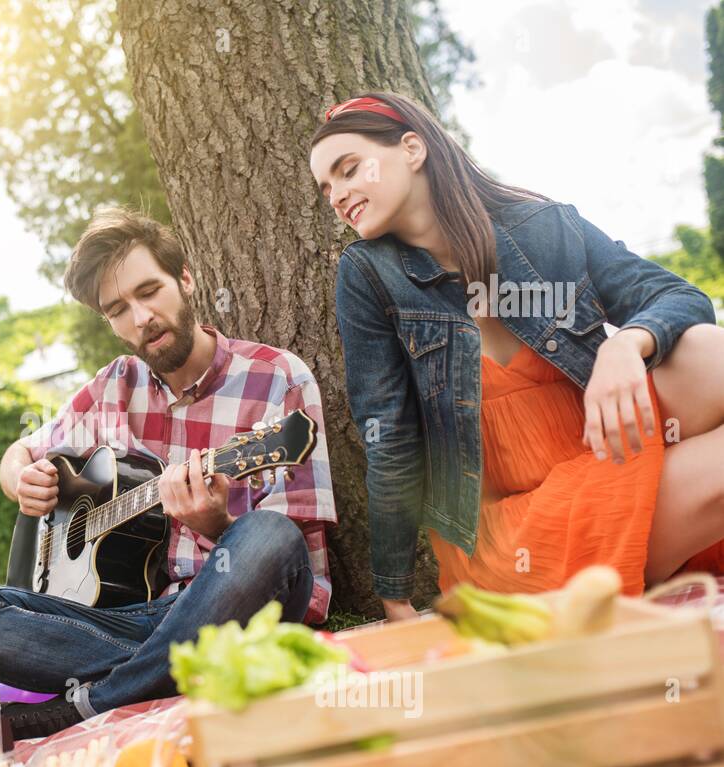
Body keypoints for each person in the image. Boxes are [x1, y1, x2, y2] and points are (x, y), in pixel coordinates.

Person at [308, 92, 724, 623]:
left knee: (709, 350)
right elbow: (387, 434)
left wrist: (628, 342)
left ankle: (652, 543)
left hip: (610, 452)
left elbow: (680, 298)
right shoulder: (368, 275)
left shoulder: (545, 227)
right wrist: (393, 595)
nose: (337, 196)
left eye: (348, 170)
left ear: (412, 149)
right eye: (327, 187)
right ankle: (636, 549)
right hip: (516, 525)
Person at [0, 207, 336, 740]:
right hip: (138, 619)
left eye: (150, 291)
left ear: (184, 279)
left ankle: (90, 703)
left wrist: (219, 529)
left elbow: (298, 563)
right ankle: (164, 676)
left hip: (236, 603)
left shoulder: (276, 377)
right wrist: (19, 478)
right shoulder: (113, 385)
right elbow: (24, 449)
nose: (141, 317)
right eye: (119, 309)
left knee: (267, 535)